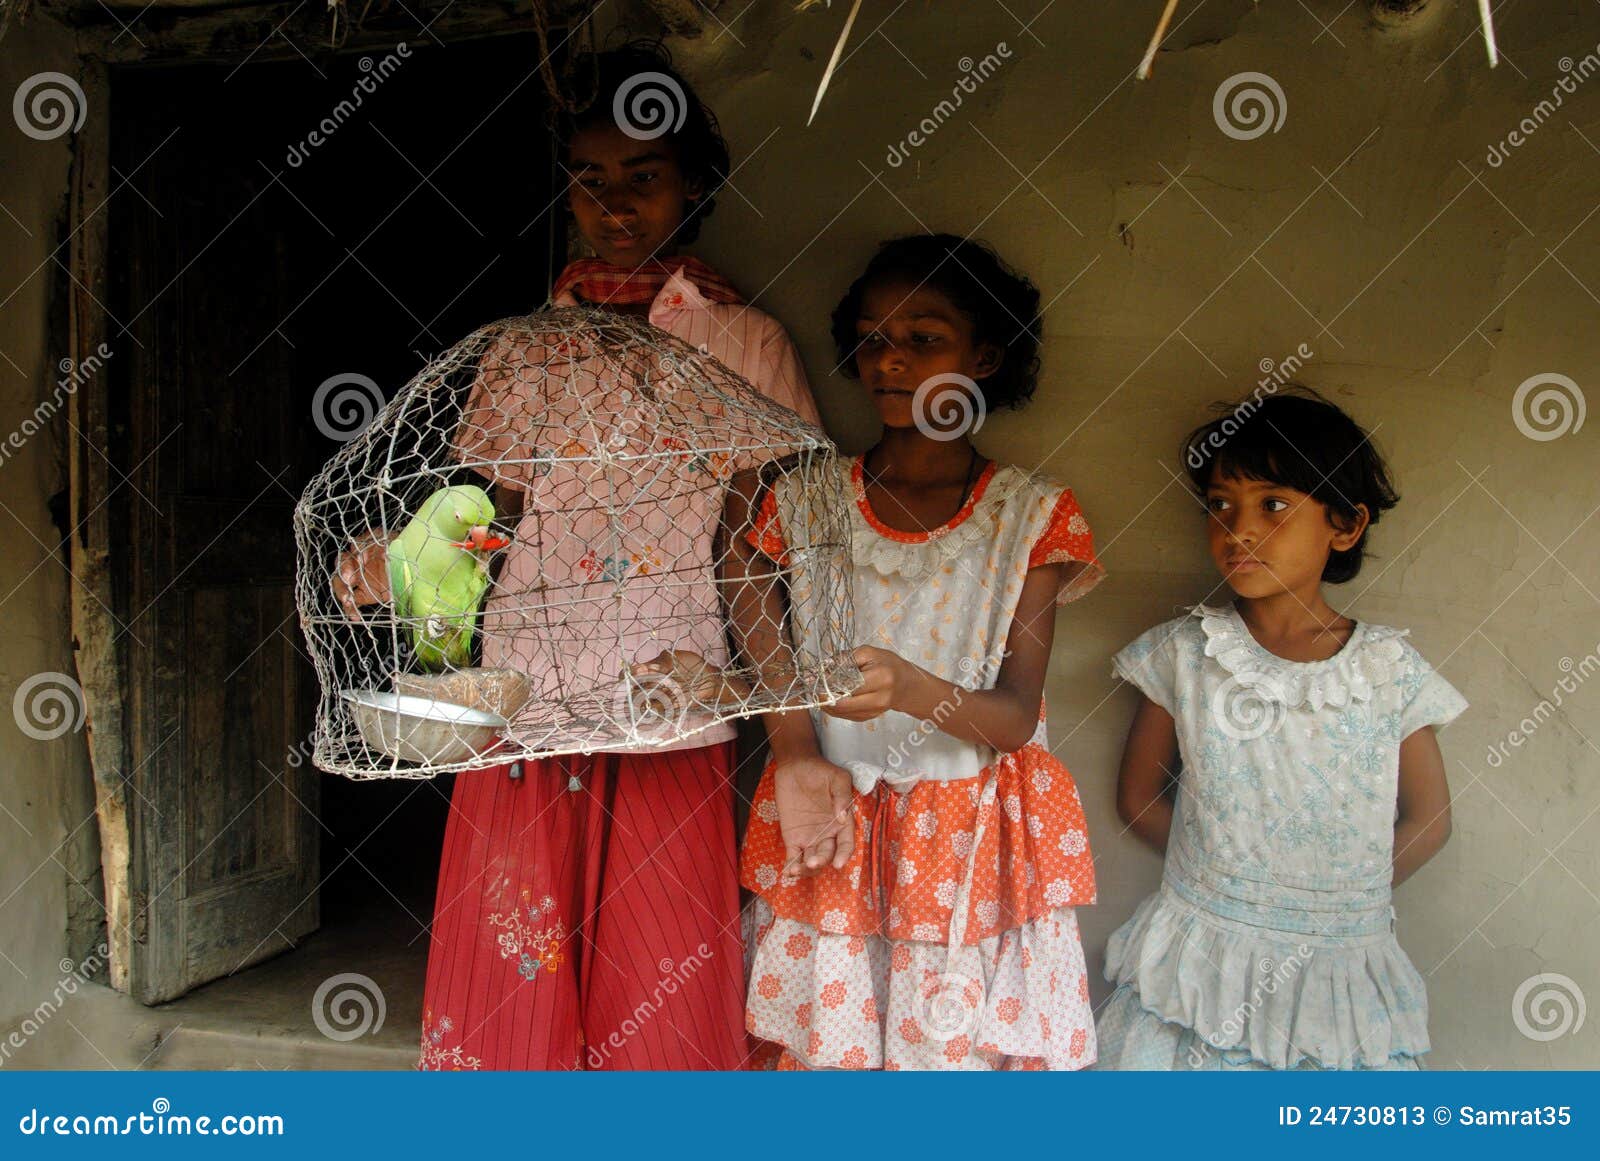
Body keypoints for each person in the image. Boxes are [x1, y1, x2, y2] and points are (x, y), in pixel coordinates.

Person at [335, 41, 818, 1070]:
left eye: (642, 178)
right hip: (524, 704)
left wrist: (792, 736)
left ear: (696, 184)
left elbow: (755, 553)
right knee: (516, 968)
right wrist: (401, 567)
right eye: (590, 182)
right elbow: (488, 523)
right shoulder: (519, 349)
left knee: (655, 975)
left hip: (667, 701)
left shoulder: (743, 344)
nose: (613, 205)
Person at [731, 234, 1104, 1070]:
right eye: (872, 340)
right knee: (835, 1051)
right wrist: (792, 742)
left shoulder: (1030, 517)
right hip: (838, 830)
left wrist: (909, 686)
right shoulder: (808, 500)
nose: (889, 360)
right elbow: (741, 572)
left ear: (986, 356)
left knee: (949, 1058)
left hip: (968, 843)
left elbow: (1012, 719)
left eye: (922, 339)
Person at [1096, 389, 1465, 1070]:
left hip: (1338, 965)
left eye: (1272, 504)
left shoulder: (1388, 669)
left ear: (1345, 526)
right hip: (1203, 955)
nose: (1238, 528)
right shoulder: (1186, 653)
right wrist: (1228, 879)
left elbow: (1429, 817)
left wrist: (1338, 892)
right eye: (1220, 504)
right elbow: (1140, 798)